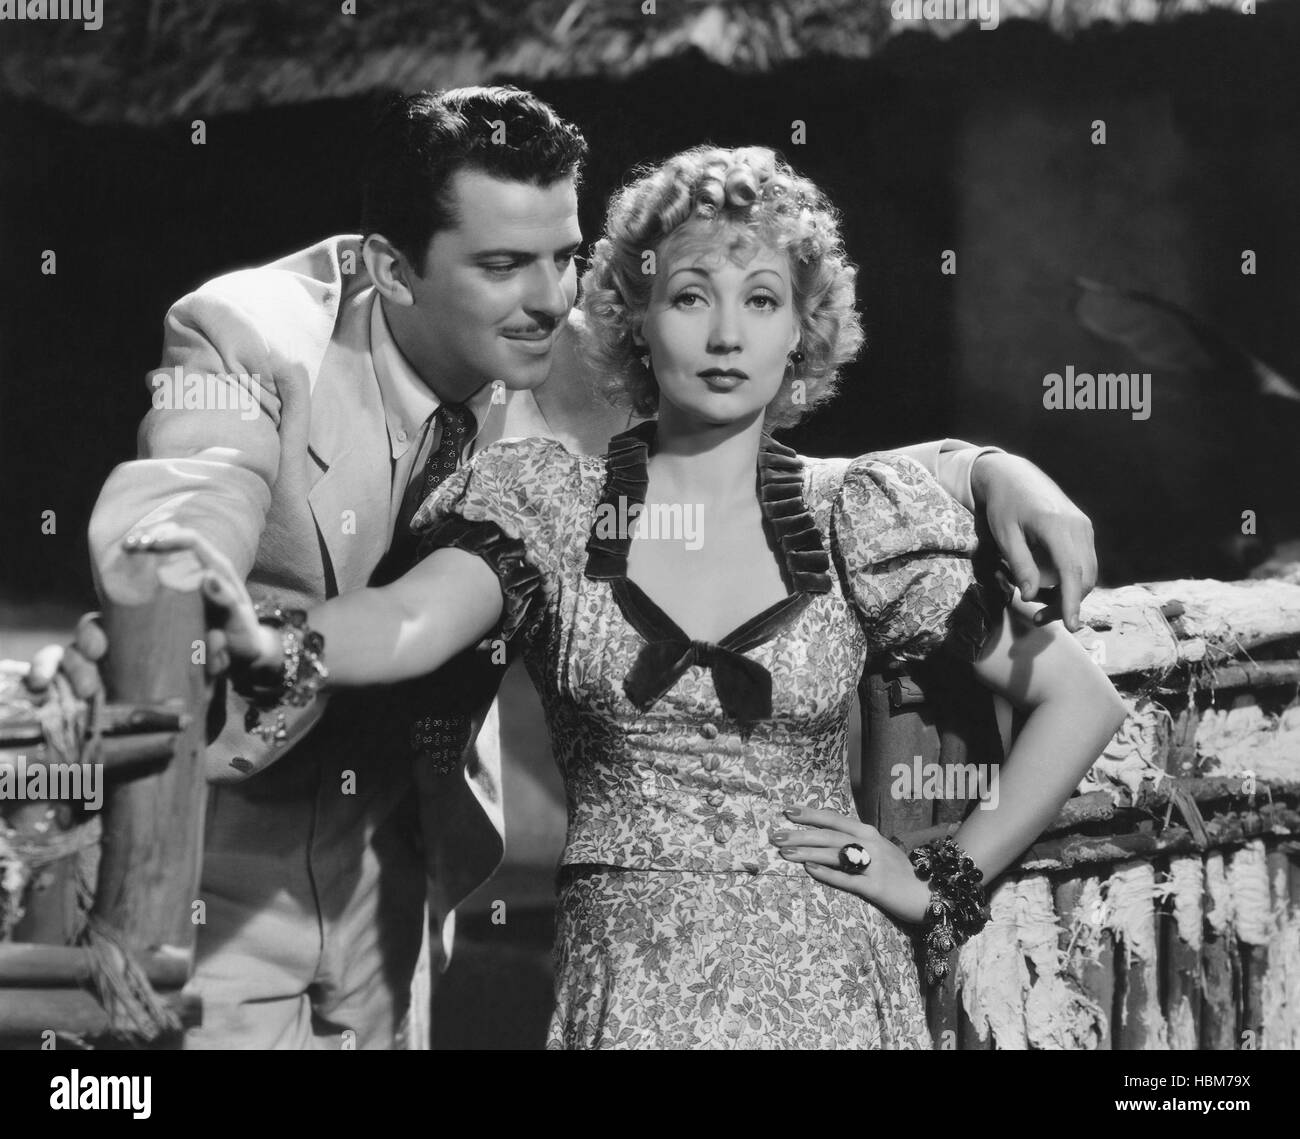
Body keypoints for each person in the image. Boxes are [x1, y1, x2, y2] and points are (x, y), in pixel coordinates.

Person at [132, 144, 1129, 1049]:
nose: (727, 333)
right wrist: (270, 636)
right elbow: (400, 621)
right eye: (691, 296)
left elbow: (1077, 696)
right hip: (628, 990)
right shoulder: (548, 508)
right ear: (633, 318)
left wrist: (941, 878)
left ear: (804, 331)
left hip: (838, 988)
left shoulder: (851, 519)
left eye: (764, 300)